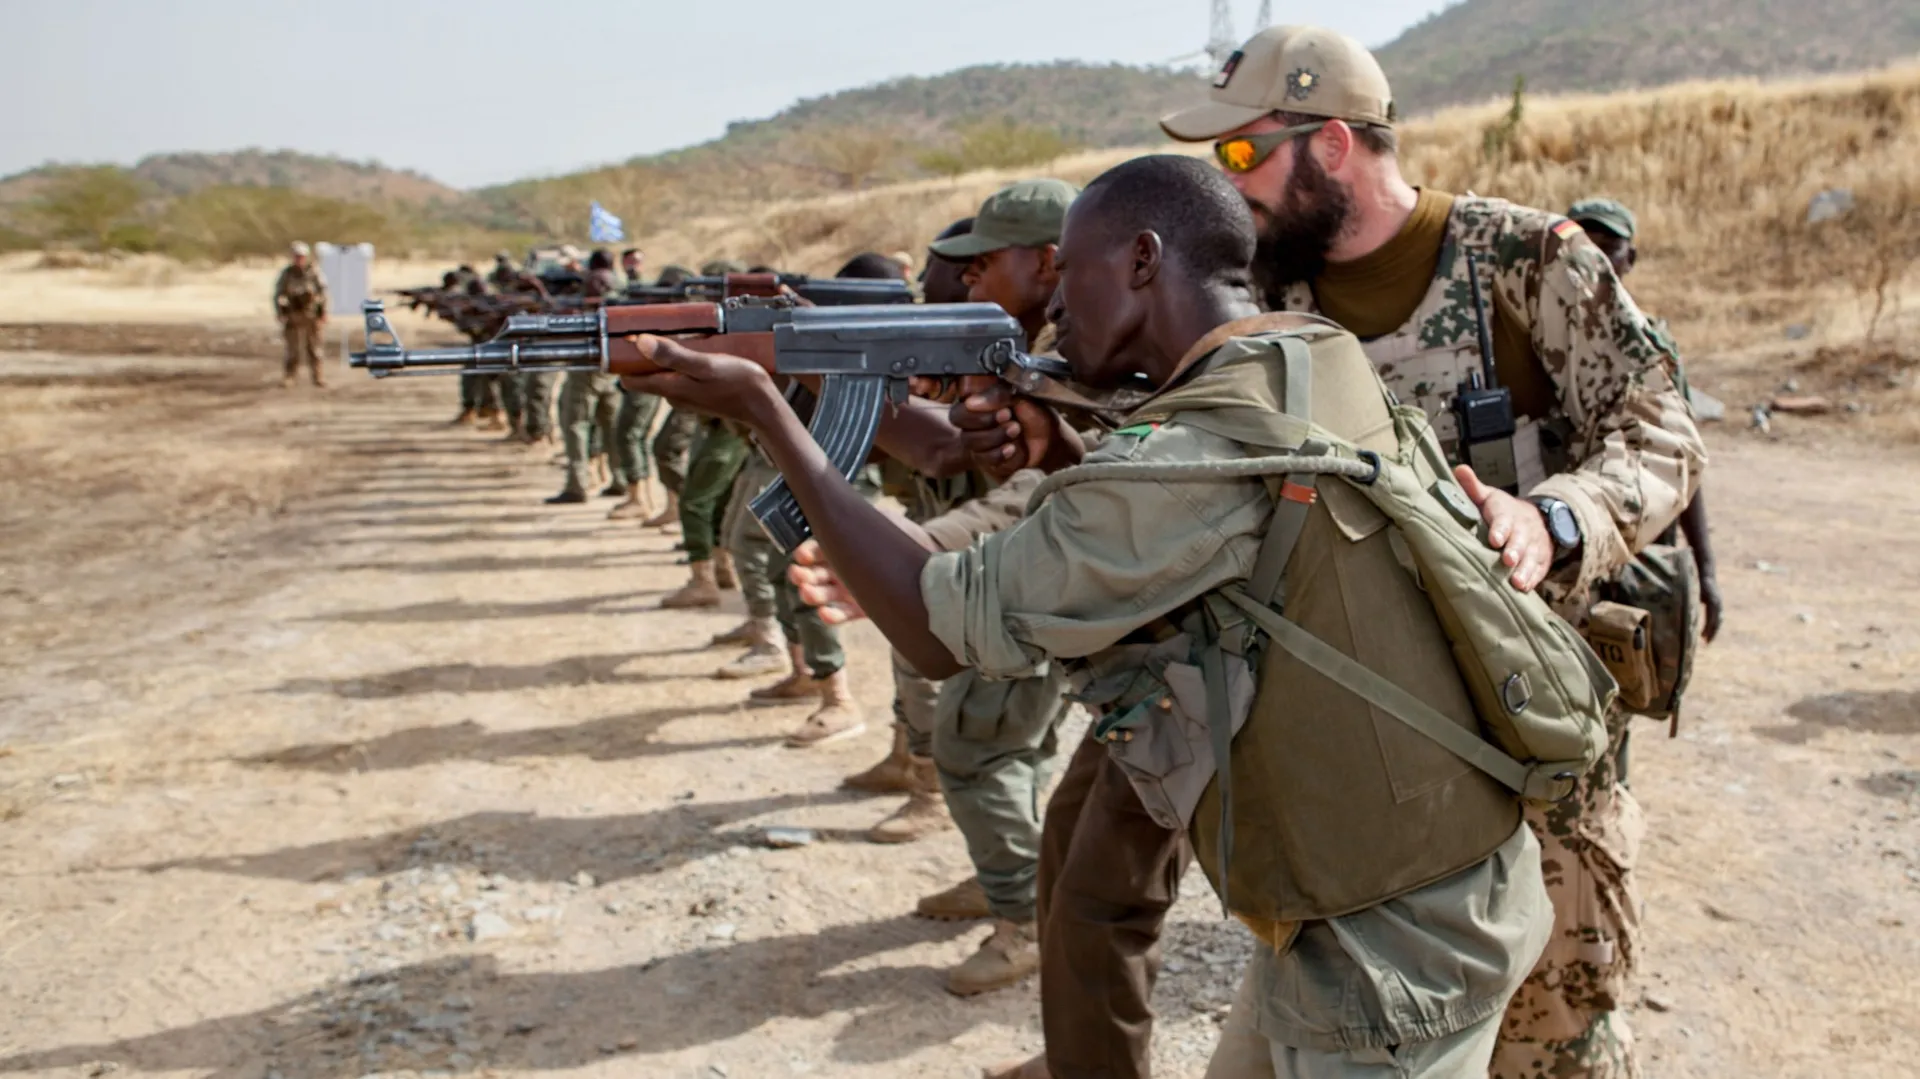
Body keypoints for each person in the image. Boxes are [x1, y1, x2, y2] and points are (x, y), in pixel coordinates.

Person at [626, 152, 1555, 1079]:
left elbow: (935, 628)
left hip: (1393, 947)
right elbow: (1192, 517)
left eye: (1074, 275)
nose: (1058, 306)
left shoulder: (1191, 457)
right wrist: (1068, 450)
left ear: (1145, 262)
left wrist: (766, 410)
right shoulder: (1308, 356)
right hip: (1398, 888)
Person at [1160, 26, 1707, 1078]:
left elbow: (1661, 431)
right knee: (1372, 1023)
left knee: (1555, 1028)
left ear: (1329, 146)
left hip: (1533, 733)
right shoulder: (1265, 306)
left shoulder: (1525, 261)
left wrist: (1550, 519)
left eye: (1240, 157)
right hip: (1362, 753)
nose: (1227, 193)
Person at [1568, 198, 1723, 643]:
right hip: (1564, 549)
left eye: (1609, 247)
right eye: (1583, 244)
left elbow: (1682, 461)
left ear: (1629, 259)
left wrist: (1705, 570)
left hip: (1639, 554)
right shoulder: (1530, 338)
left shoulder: (1652, 345)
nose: (1596, 258)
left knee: (1632, 677)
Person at [549, 250, 628, 504]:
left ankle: (578, 483)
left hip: (587, 365)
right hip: (613, 365)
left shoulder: (594, 282)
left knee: (575, 423)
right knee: (611, 425)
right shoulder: (620, 282)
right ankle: (621, 478)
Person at [273, 241, 328, 388]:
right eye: (296, 256)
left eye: (301, 256)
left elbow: (323, 293)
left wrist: (323, 311)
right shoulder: (287, 274)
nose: (299, 259)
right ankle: (290, 377)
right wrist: (279, 312)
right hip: (293, 315)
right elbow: (278, 294)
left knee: (315, 349)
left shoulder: (314, 272)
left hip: (311, 315)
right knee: (293, 350)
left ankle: (318, 376)